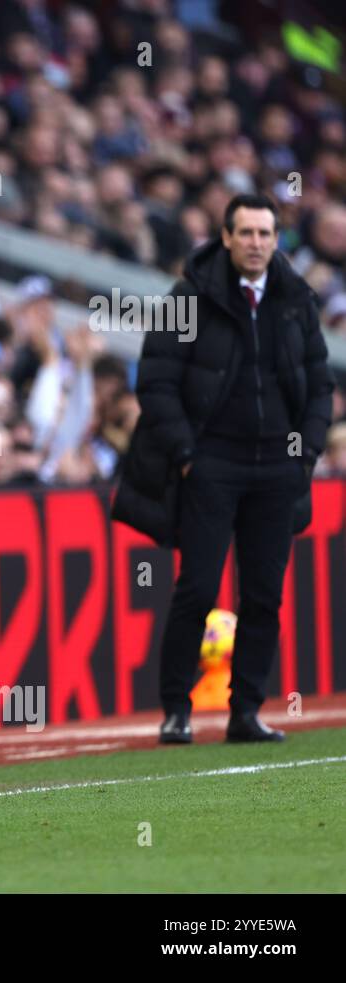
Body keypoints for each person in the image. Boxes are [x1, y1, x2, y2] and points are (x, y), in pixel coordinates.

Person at [113, 193, 334, 745]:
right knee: (198, 588)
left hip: (277, 468)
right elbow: (155, 382)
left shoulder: (295, 299)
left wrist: (305, 455)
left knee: (264, 594)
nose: (256, 243)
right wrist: (188, 456)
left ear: (276, 240)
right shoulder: (189, 297)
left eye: (265, 233)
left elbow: (319, 384)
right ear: (226, 237)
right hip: (211, 464)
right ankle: (176, 709)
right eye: (247, 233)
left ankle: (246, 711)